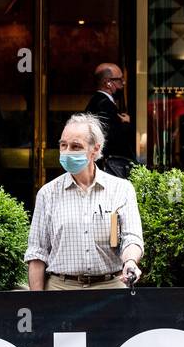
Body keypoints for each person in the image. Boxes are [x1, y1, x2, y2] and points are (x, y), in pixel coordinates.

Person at [26, 113, 144, 291]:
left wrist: (130, 262)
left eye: (75, 147)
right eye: (63, 145)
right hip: (61, 289)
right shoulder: (47, 194)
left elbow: (131, 238)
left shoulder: (121, 189)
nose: (66, 152)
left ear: (95, 149)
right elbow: (37, 253)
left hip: (110, 288)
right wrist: (37, 303)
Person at [84, 62, 135, 178]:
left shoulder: (99, 102)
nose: (124, 82)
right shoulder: (103, 104)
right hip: (109, 168)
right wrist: (128, 124)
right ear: (108, 83)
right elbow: (109, 138)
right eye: (120, 79)